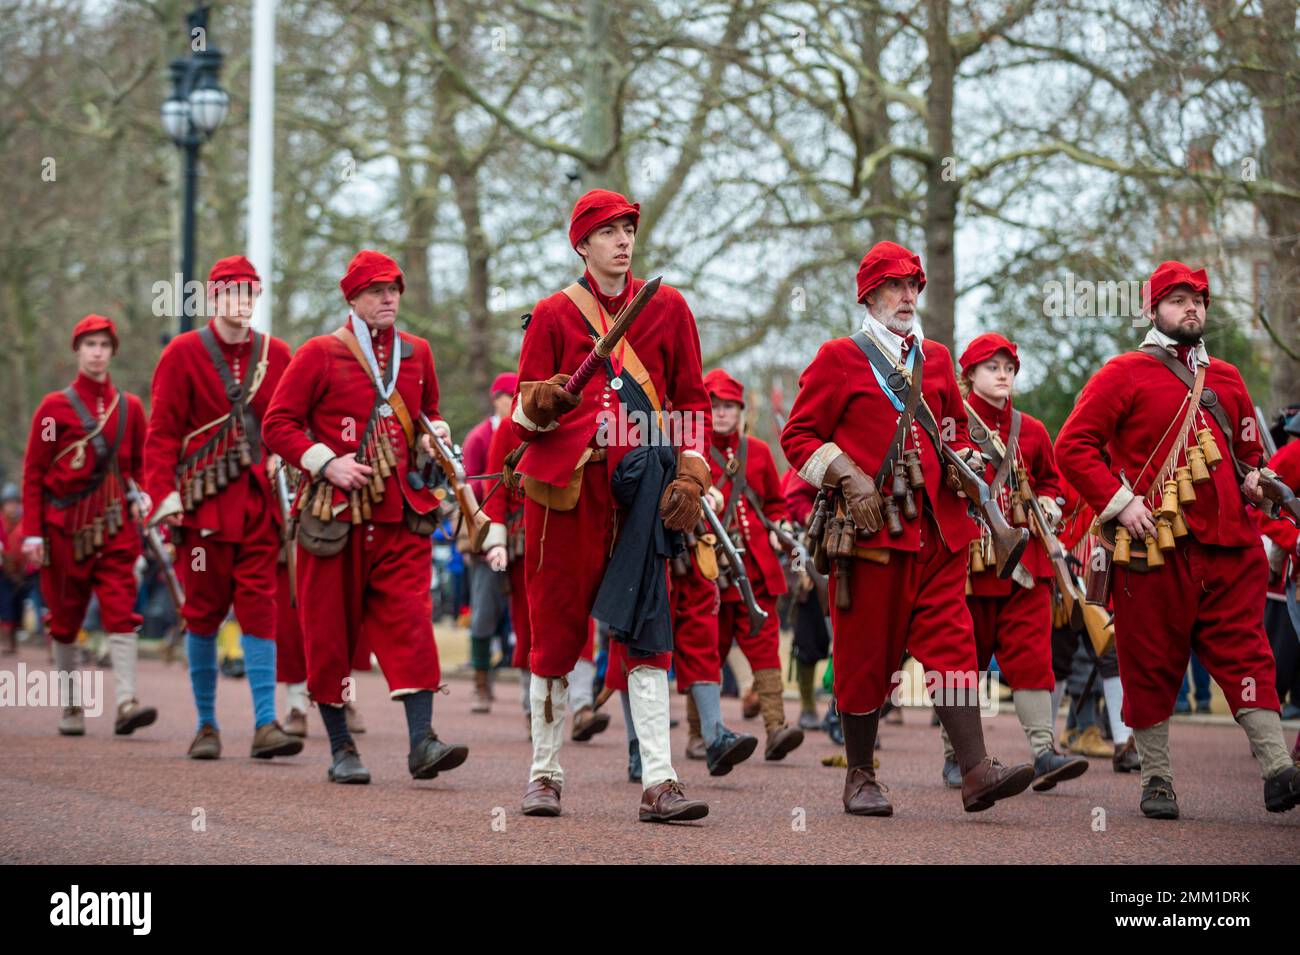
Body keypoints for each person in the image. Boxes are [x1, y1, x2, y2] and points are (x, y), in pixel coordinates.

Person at [780, 240, 1035, 817]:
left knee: (954, 646)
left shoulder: (938, 359)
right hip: (870, 535)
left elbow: (952, 430)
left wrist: (969, 460)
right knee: (865, 659)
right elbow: (796, 438)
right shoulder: (839, 357)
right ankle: (861, 775)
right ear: (869, 294)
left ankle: (974, 771)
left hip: (939, 535)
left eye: (914, 286)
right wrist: (847, 474)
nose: (907, 296)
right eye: (895, 286)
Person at [1056, 260, 1300, 817]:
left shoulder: (1230, 379)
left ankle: (1277, 768)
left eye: (1199, 300)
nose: (1192, 308)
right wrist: (1122, 504)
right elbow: (1073, 447)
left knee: (1248, 655)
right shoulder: (1122, 373)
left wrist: (1258, 482)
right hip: (1154, 548)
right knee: (1149, 660)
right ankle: (1157, 779)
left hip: (1230, 548)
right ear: (1153, 309)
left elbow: (1247, 461)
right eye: (1178, 299)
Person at [510, 188, 713, 822]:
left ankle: (659, 778)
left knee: (649, 626)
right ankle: (545, 773)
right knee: (555, 632)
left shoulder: (668, 307)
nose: (623, 241)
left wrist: (692, 473)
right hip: (567, 493)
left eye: (628, 229)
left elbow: (690, 402)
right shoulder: (551, 314)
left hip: (642, 489)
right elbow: (523, 416)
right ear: (582, 244)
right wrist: (541, 400)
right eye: (608, 232)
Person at [263, 249, 468, 785]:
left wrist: (436, 433)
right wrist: (326, 462)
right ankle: (341, 748)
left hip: (401, 514)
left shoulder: (417, 352)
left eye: (394, 290)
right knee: (327, 635)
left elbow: (430, 413)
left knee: (412, 624)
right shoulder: (318, 353)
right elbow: (278, 425)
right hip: (333, 519)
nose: (388, 299)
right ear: (352, 298)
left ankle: (422, 742)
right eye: (377, 290)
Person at [145, 256, 302, 761]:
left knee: (261, 607)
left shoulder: (276, 354)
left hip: (258, 507)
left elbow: (290, 421)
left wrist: (283, 454)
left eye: (250, 293)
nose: (242, 302)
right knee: (203, 613)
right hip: (201, 509)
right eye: (232, 293)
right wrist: (163, 496)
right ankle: (206, 725)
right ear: (214, 299)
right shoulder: (182, 354)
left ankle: (265, 723)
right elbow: (163, 433)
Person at [952, 333, 1088, 791]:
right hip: (970, 564)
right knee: (963, 660)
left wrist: (1048, 505)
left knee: (1033, 655)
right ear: (969, 374)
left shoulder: (1030, 430)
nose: (1004, 373)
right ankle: (958, 756)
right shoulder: (952, 423)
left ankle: (1044, 750)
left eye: (1009, 366)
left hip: (1026, 563)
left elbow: (1054, 482)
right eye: (992, 367)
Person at [21, 315, 157, 736]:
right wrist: (31, 532)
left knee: (121, 609)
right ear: (77, 351)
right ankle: (71, 705)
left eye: (103, 344)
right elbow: (34, 473)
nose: (97, 351)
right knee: (64, 618)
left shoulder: (131, 407)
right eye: (89, 344)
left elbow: (140, 465)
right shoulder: (52, 408)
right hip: (62, 528)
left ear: (112, 351)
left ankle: (126, 702)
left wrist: (147, 494)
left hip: (115, 526)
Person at [703, 367, 804, 761]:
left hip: (757, 570)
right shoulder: (691, 452)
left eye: (730, 406)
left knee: (764, 647)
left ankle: (776, 729)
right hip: (713, 568)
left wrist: (779, 527)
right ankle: (700, 734)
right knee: (708, 651)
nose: (723, 413)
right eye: (716, 406)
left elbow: (775, 503)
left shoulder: (758, 451)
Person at [462, 372, 516, 714]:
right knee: (484, 613)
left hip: (522, 531)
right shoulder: (480, 437)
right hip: (489, 535)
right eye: (509, 397)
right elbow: (469, 486)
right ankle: (481, 684)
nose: (514, 403)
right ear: (496, 398)